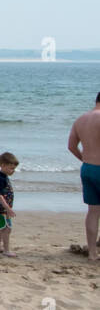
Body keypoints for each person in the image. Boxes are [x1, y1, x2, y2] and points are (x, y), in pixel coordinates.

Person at [66, 92, 100, 261]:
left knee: (93, 211)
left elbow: (71, 146)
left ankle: (93, 253)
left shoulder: (81, 119)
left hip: (88, 168)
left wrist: (84, 159)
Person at [0, 151, 18, 257]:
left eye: (14, 169)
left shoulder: (3, 176)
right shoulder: (0, 178)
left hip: (3, 209)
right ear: (3, 165)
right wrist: (8, 208)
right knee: (7, 229)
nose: (13, 171)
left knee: (3, 228)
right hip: (1, 209)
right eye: (11, 168)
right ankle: (6, 250)